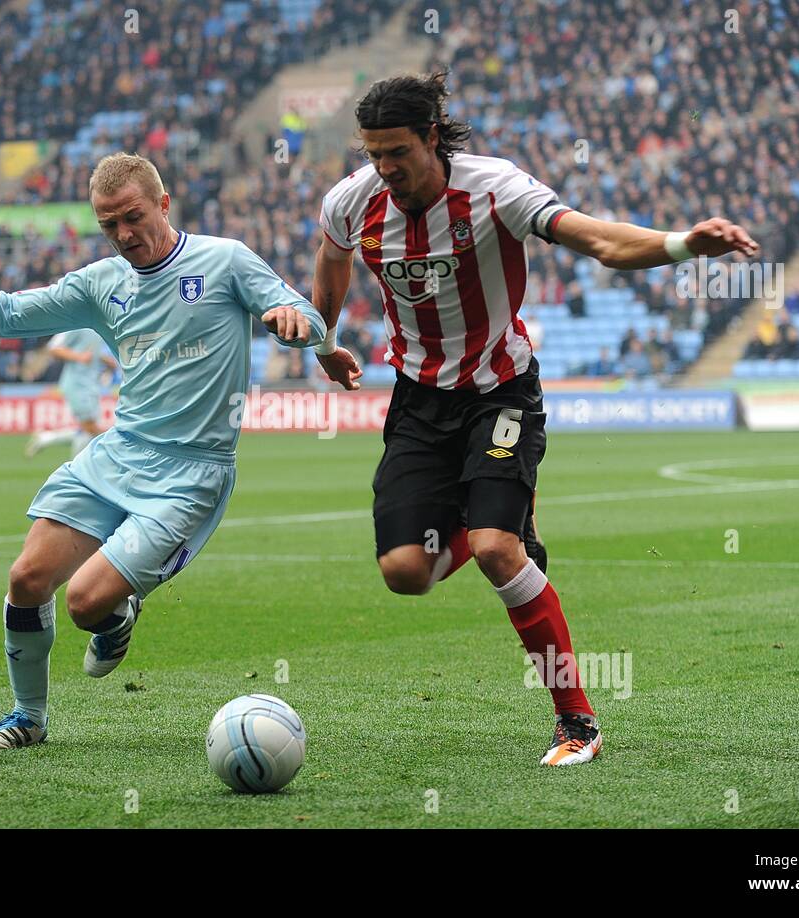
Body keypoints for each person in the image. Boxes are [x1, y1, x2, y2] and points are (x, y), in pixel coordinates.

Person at [310, 72, 759, 767]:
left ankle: (577, 720)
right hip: (417, 400)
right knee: (406, 572)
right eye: (373, 153)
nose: (385, 168)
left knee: (495, 551)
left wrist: (682, 245)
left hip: (500, 392)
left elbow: (598, 242)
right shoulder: (352, 202)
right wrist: (326, 337)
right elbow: (332, 259)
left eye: (397, 151)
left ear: (432, 136)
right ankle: (507, 519)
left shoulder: (495, 189)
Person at [0, 152, 326, 751]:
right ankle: (28, 717)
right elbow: (11, 311)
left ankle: (113, 614)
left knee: (84, 602)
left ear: (163, 203)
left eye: (132, 217)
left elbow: (310, 316)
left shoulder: (225, 260)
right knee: (27, 578)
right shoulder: (101, 283)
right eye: (109, 225)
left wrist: (295, 318)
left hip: (192, 473)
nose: (123, 235)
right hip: (119, 452)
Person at [25, 329, 119, 458]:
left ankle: (46, 438)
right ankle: (81, 468)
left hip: (92, 384)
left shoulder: (96, 326)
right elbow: (53, 348)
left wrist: (104, 360)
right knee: (90, 428)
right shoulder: (76, 325)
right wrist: (79, 357)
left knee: (86, 431)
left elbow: (89, 351)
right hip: (77, 384)